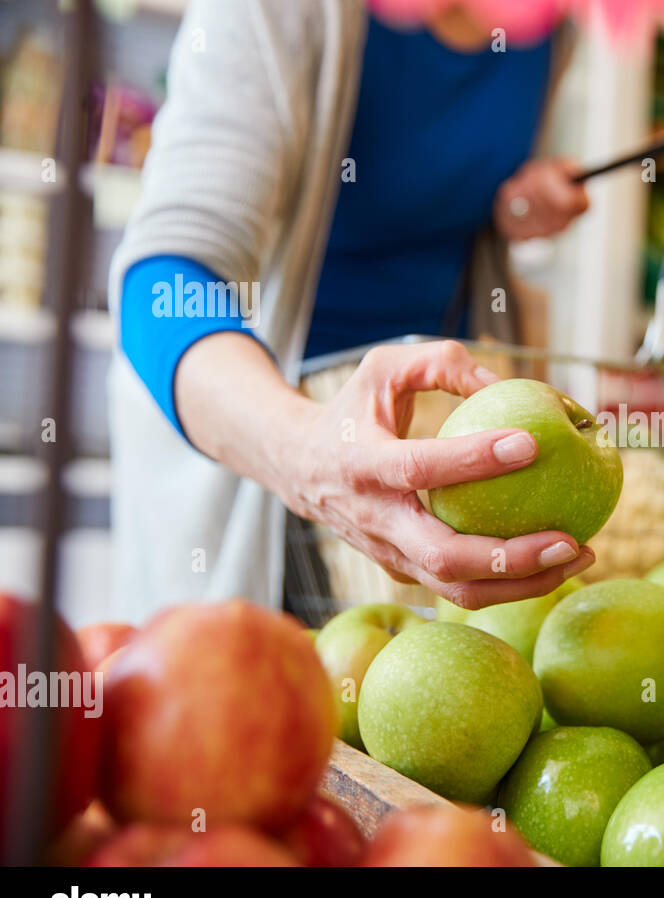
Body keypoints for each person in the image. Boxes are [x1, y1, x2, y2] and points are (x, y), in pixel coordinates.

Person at [109, 0, 596, 623]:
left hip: (431, 458)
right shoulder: (279, 14)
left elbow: (437, 198)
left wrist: (512, 210)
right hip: (267, 438)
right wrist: (305, 450)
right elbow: (162, 287)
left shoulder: (555, 29)